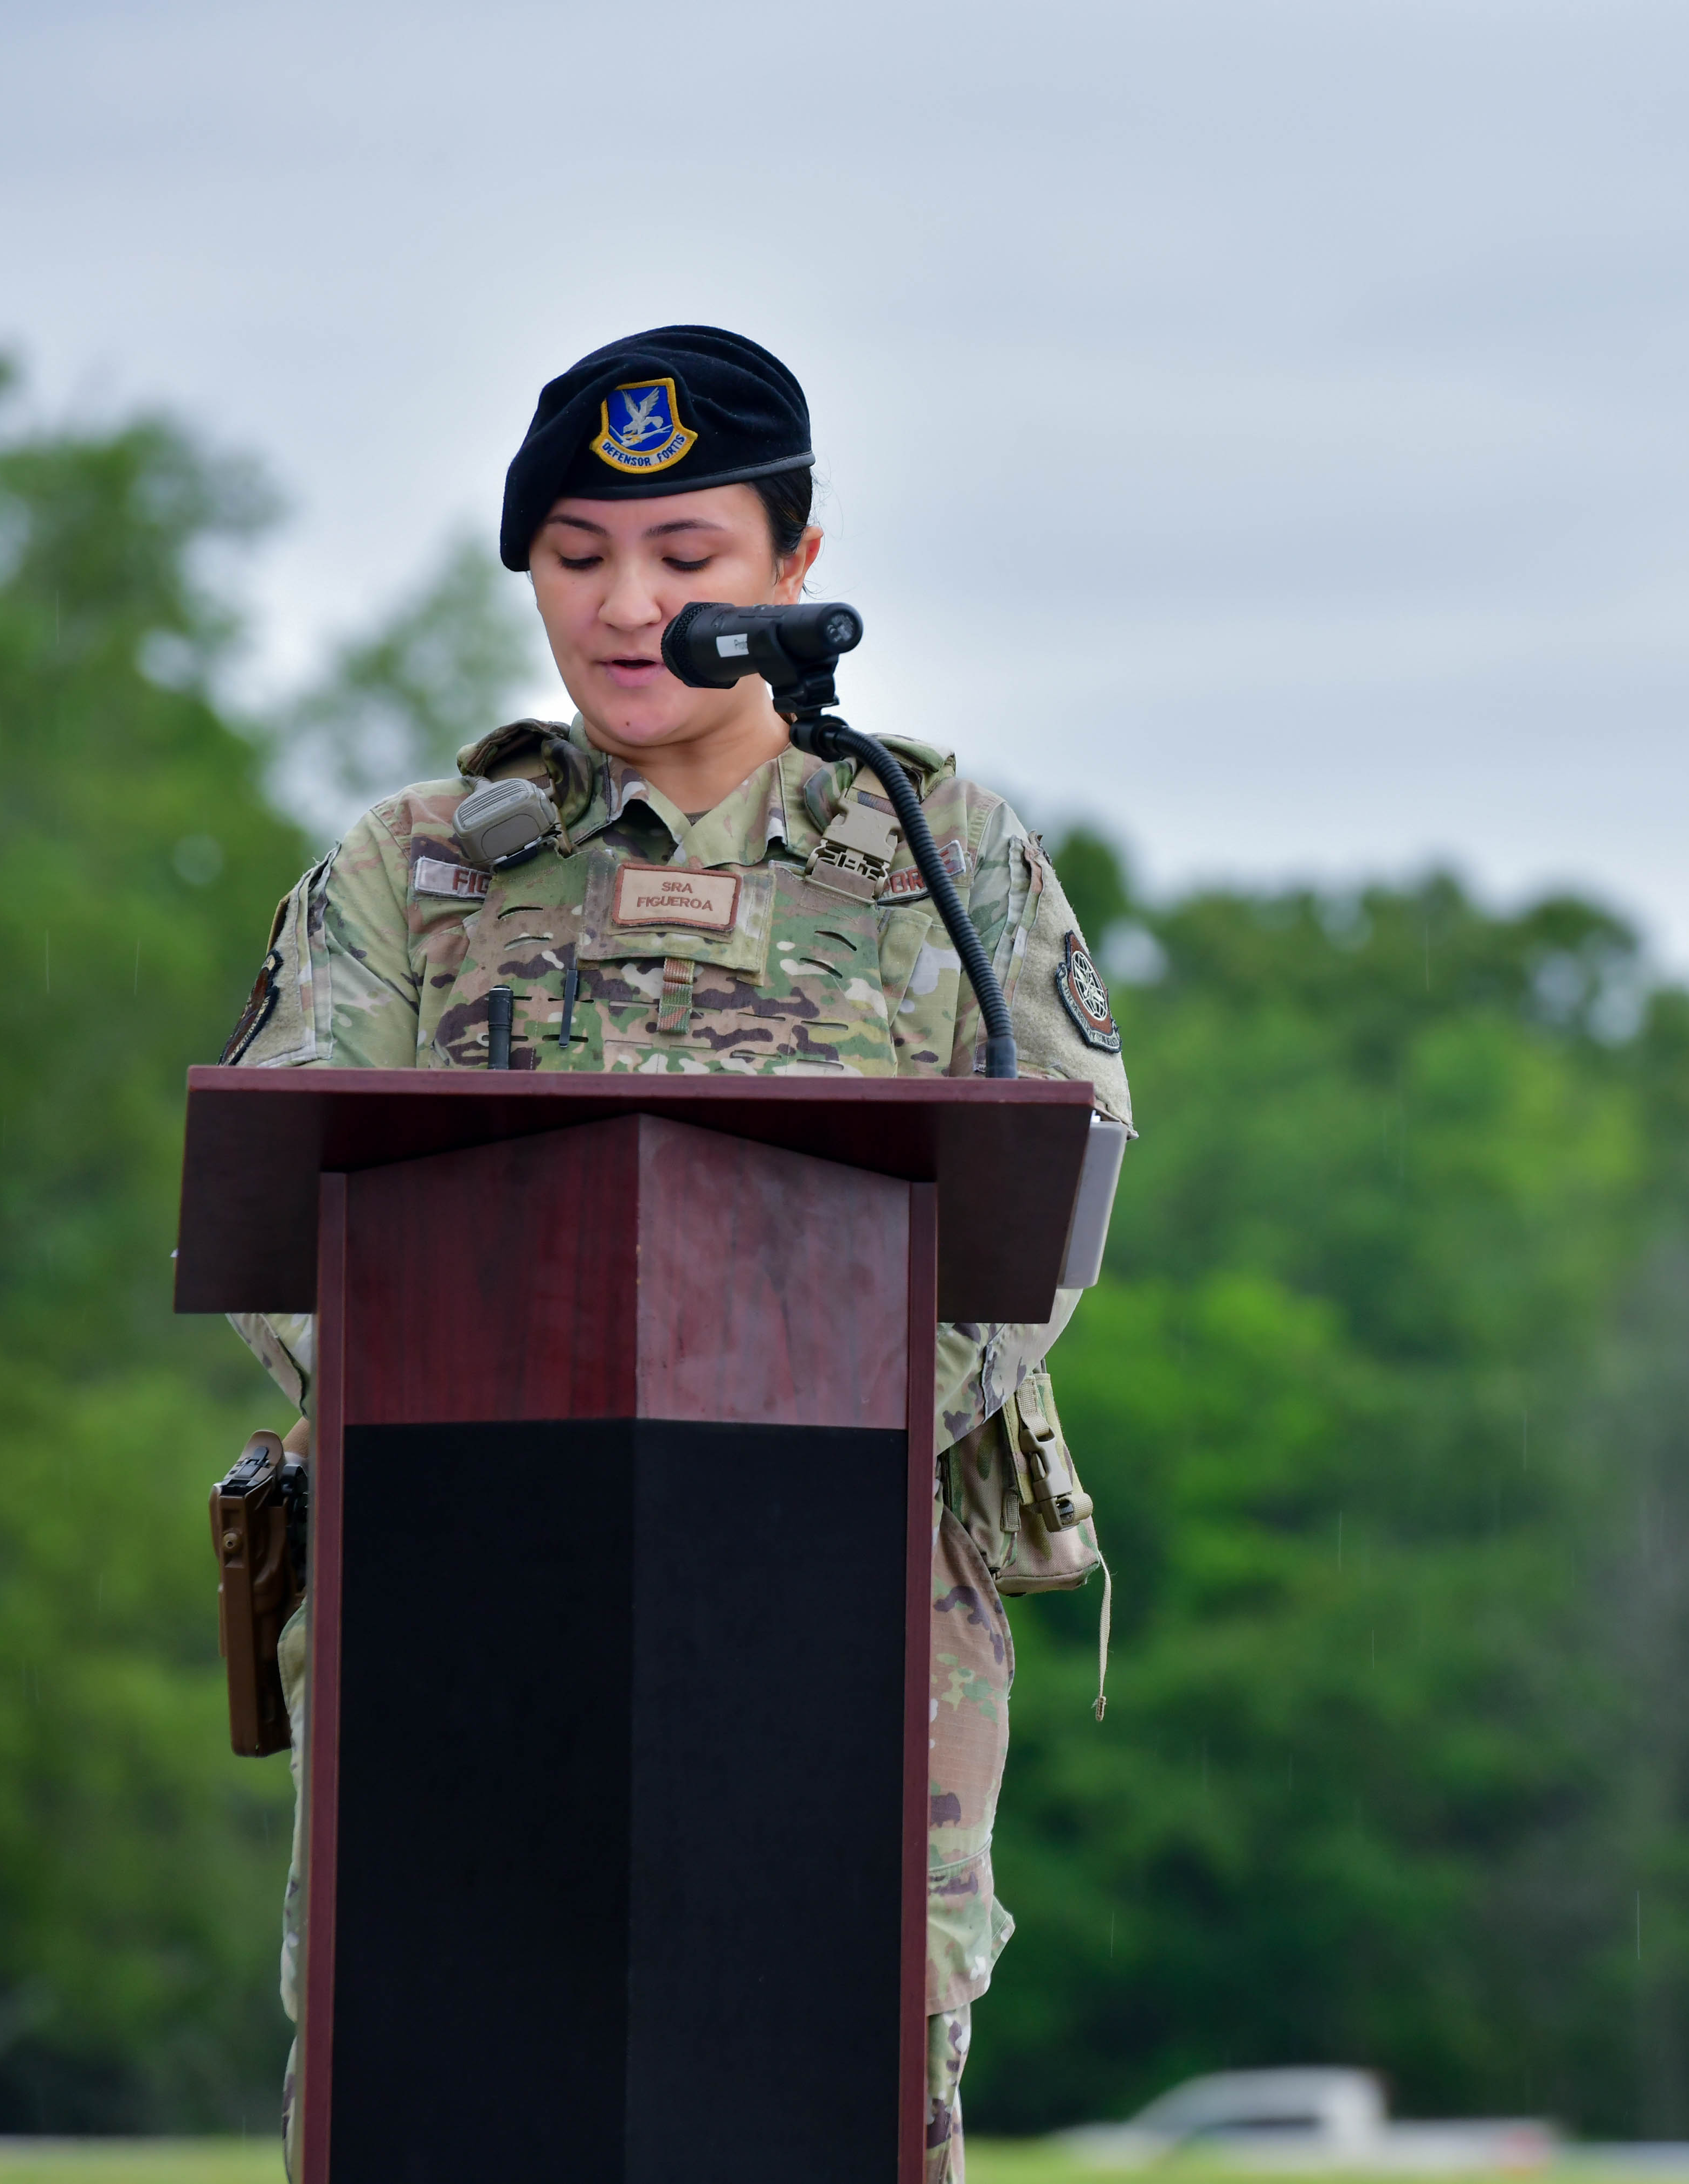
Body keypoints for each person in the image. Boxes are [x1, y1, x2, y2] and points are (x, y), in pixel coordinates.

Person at [216, 324, 1132, 2183]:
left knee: (830, 2062)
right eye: (575, 557)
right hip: (459, 1570)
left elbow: (1046, 1216)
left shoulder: (937, 852)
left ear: (794, 568)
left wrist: (778, 1441)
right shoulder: (418, 868)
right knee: (439, 2051)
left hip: (850, 1587)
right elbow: (278, 1216)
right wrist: (529, 1423)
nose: (626, 606)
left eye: (685, 558)